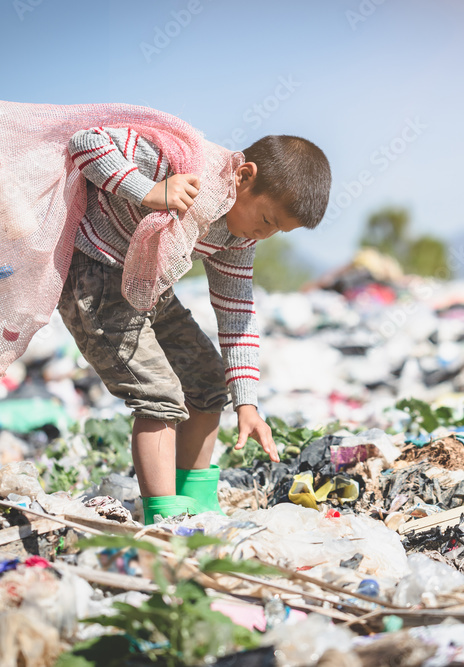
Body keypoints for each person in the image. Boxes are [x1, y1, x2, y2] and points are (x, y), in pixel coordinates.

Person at [57, 124, 331, 524]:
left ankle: (196, 503)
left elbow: (236, 312)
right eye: (267, 219)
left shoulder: (237, 238)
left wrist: (248, 404)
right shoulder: (185, 165)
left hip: (149, 286)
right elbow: (84, 142)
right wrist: (146, 190)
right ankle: (165, 520)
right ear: (245, 175)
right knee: (161, 395)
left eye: (277, 230)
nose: (265, 234)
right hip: (95, 276)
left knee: (207, 381)